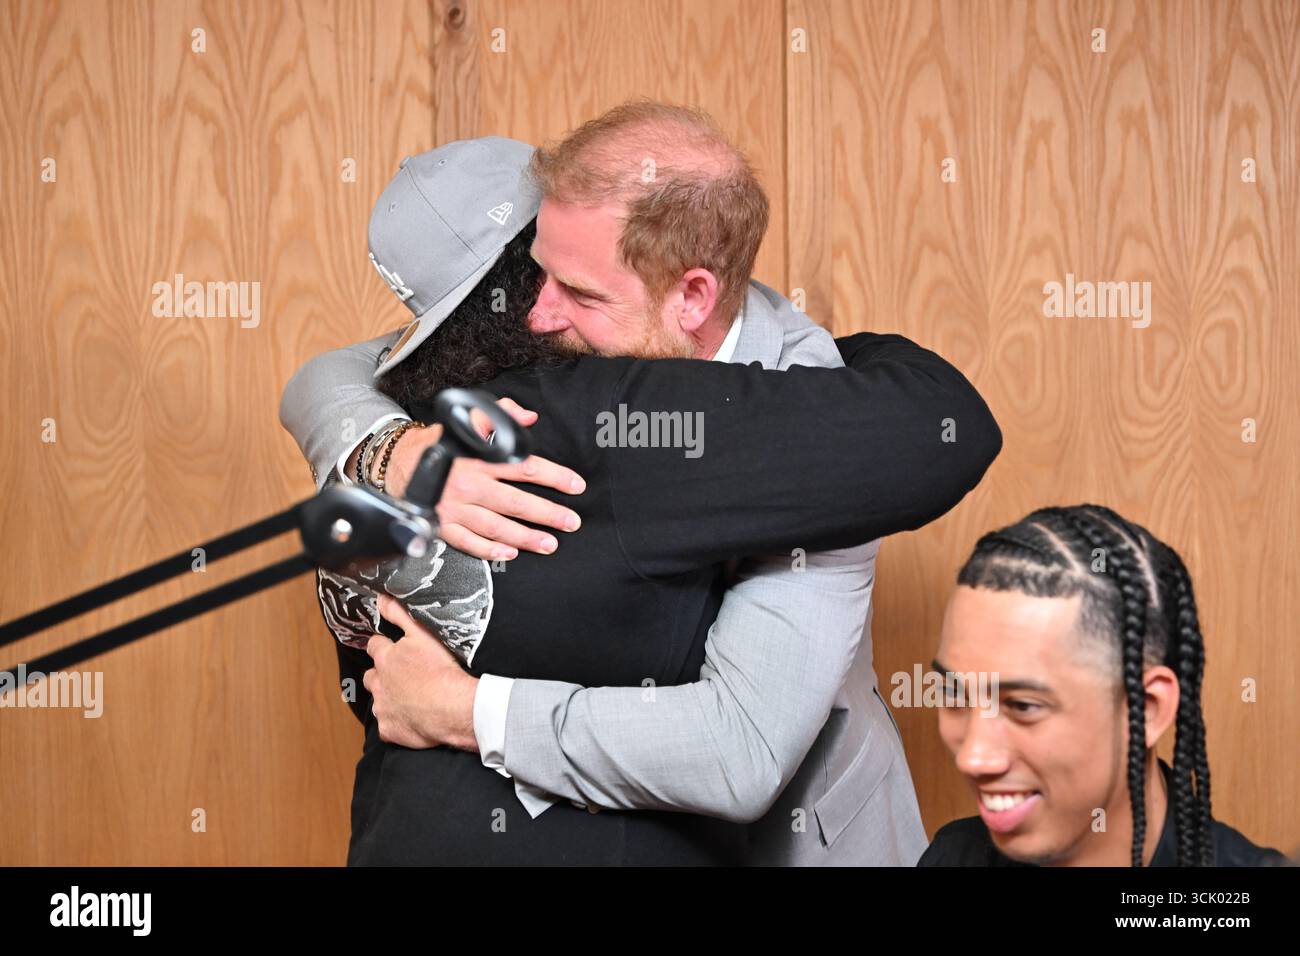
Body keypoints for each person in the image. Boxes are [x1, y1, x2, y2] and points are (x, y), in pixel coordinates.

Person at [281, 105, 1000, 864]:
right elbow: (341, 366)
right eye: (536, 276)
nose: (535, 315)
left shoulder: (819, 420)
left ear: (691, 296)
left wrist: (466, 712)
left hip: (803, 837)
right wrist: (381, 446)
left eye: (577, 292)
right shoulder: (544, 375)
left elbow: (740, 750)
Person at [920, 504, 1287, 866]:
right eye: (955, 694)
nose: (973, 757)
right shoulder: (952, 857)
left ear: (1146, 710)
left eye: (1023, 705)